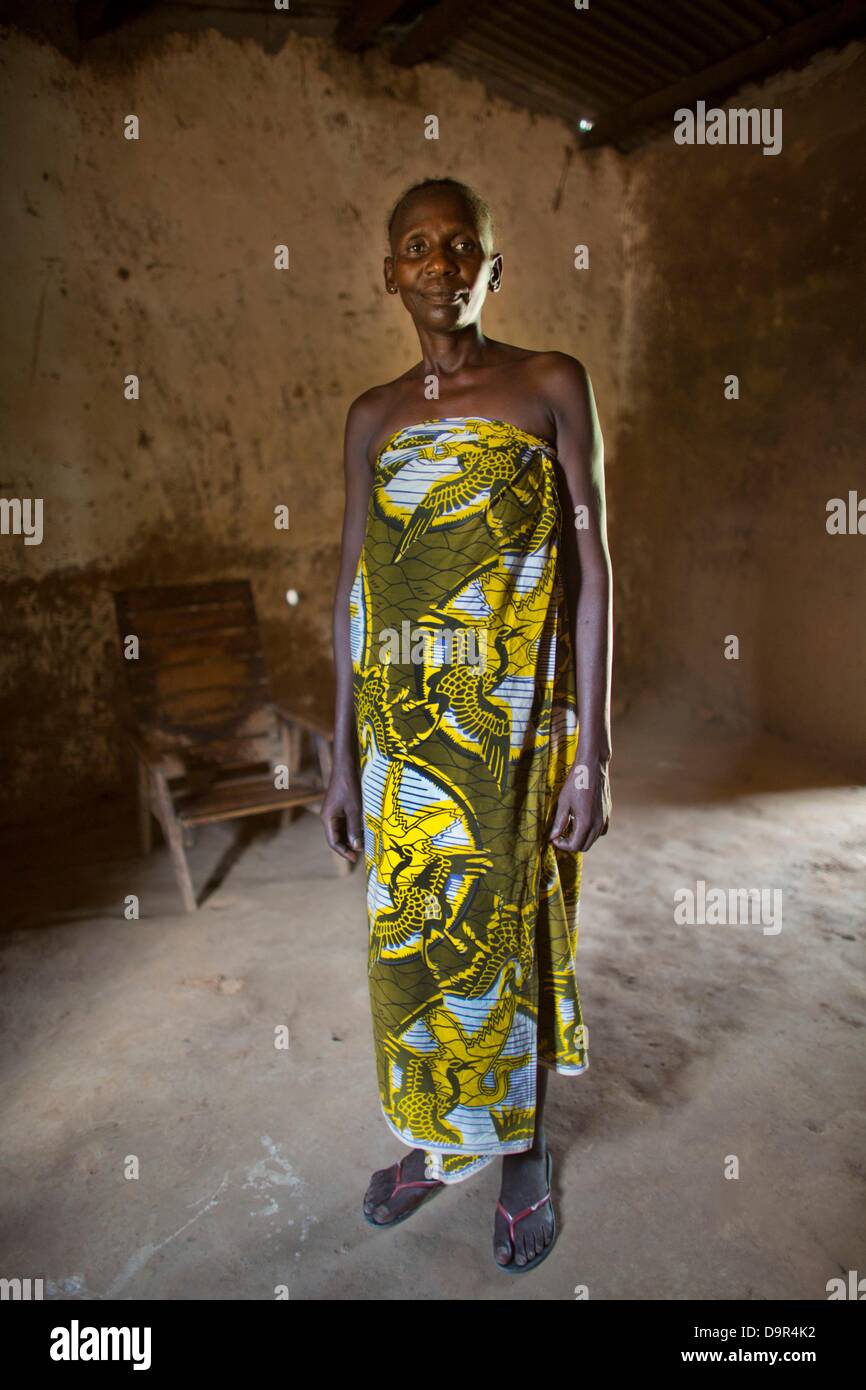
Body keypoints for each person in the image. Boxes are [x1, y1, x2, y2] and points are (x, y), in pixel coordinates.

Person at [322, 176, 612, 1272]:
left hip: (514, 733)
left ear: (495, 266)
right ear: (387, 273)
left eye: (460, 246)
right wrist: (341, 751)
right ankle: (442, 1134)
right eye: (415, 246)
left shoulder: (547, 385)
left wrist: (593, 751)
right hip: (402, 736)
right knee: (416, 939)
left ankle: (523, 1149)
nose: (437, 264)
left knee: (512, 932)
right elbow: (350, 584)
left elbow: (590, 570)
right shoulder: (372, 415)